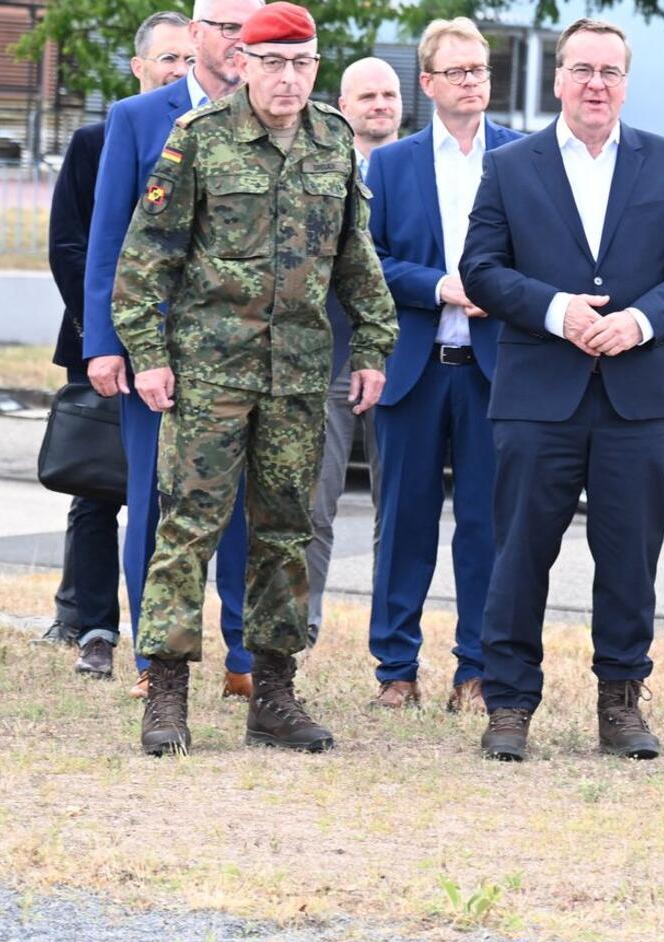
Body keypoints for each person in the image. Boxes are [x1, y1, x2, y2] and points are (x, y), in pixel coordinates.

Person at [113, 1, 398, 755]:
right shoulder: (200, 138)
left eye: (301, 64)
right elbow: (146, 260)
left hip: (298, 377)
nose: (288, 78)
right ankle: (165, 692)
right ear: (243, 64)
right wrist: (148, 354)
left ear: (315, 68)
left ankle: (273, 693)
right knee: (188, 528)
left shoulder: (333, 141)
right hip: (210, 375)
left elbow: (356, 259)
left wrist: (373, 346)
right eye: (273, 63)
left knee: (285, 534)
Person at [459, 17, 664, 761]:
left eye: (609, 71)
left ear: (626, 82)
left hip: (637, 398)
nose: (595, 84)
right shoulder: (511, 166)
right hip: (538, 397)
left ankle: (621, 703)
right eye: (582, 69)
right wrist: (557, 311)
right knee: (519, 555)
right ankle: (509, 705)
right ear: (558, 79)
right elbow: (480, 268)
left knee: (630, 559)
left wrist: (639, 321)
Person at [84, 0, 263, 702]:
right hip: (155, 350)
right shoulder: (137, 118)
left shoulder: (270, 111)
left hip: (245, 354)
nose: (240, 41)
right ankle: (153, 658)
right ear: (196, 33)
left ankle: (244, 657)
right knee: (153, 507)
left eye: (251, 28)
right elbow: (110, 238)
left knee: (245, 509)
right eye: (227, 26)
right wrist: (107, 343)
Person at [363, 19, 522, 715]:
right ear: (426, 83)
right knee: (404, 523)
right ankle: (396, 669)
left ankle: (476, 670)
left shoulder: (522, 156)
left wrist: (499, 290)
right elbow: (367, 261)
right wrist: (439, 286)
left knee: (487, 527)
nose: (471, 82)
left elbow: (542, 255)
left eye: (479, 70)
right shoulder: (391, 165)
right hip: (414, 368)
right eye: (457, 72)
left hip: (494, 371)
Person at [36, 12, 196, 680]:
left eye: (190, 59)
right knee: (98, 488)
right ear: (138, 67)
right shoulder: (97, 139)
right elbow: (72, 245)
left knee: (172, 498)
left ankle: (165, 634)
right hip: (103, 342)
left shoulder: (214, 136)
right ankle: (93, 625)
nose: (180, 70)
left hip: (182, 349)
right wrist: (110, 334)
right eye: (168, 59)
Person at [303, 56, 402, 645]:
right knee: (316, 502)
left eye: (389, 95)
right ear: (344, 107)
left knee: (398, 510)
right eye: (367, 96)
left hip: (400, 358)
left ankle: (389, 636)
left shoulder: (417, 169)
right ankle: (304, 624)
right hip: (332, 356)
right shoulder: (320, 164)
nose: (380, 105)